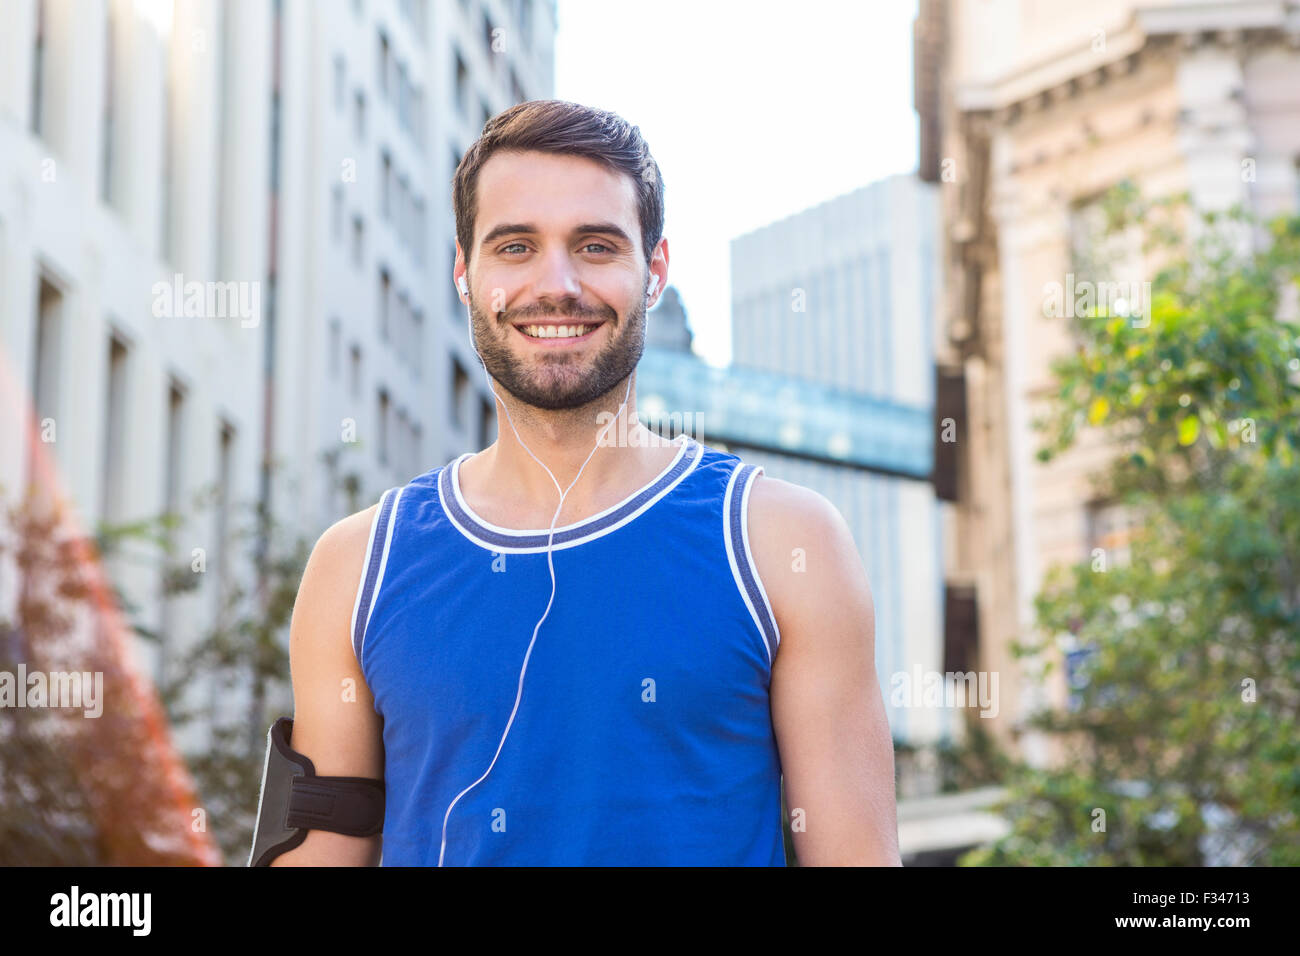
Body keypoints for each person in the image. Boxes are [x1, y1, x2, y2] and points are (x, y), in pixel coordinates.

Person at [271, 99, 900, 866]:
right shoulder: (354, 567)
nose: (557, 283)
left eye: (597, 246)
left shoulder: (783, 542)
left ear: (654, 270)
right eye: (515, 247)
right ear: (465, 273)